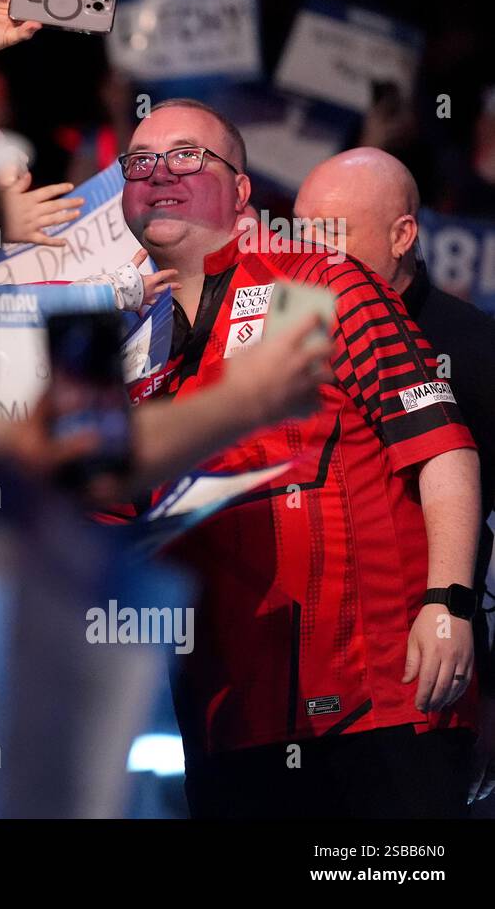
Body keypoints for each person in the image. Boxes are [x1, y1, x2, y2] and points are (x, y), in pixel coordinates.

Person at [118, 99, 482, 818]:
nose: (160, 172)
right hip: (227, 726)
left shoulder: (315, 285)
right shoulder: (129, 349)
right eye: (141, 162)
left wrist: (449, 603)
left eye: (188, 155)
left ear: (242, 189)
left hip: (377, 712)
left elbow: (442, 444)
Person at [295, 147, 495, 804]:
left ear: (402, 234)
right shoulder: (280, 339)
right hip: (308, 695)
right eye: (301, 236)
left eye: (331, 237)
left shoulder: (472, 349)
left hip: (431, 683)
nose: (311, 258)